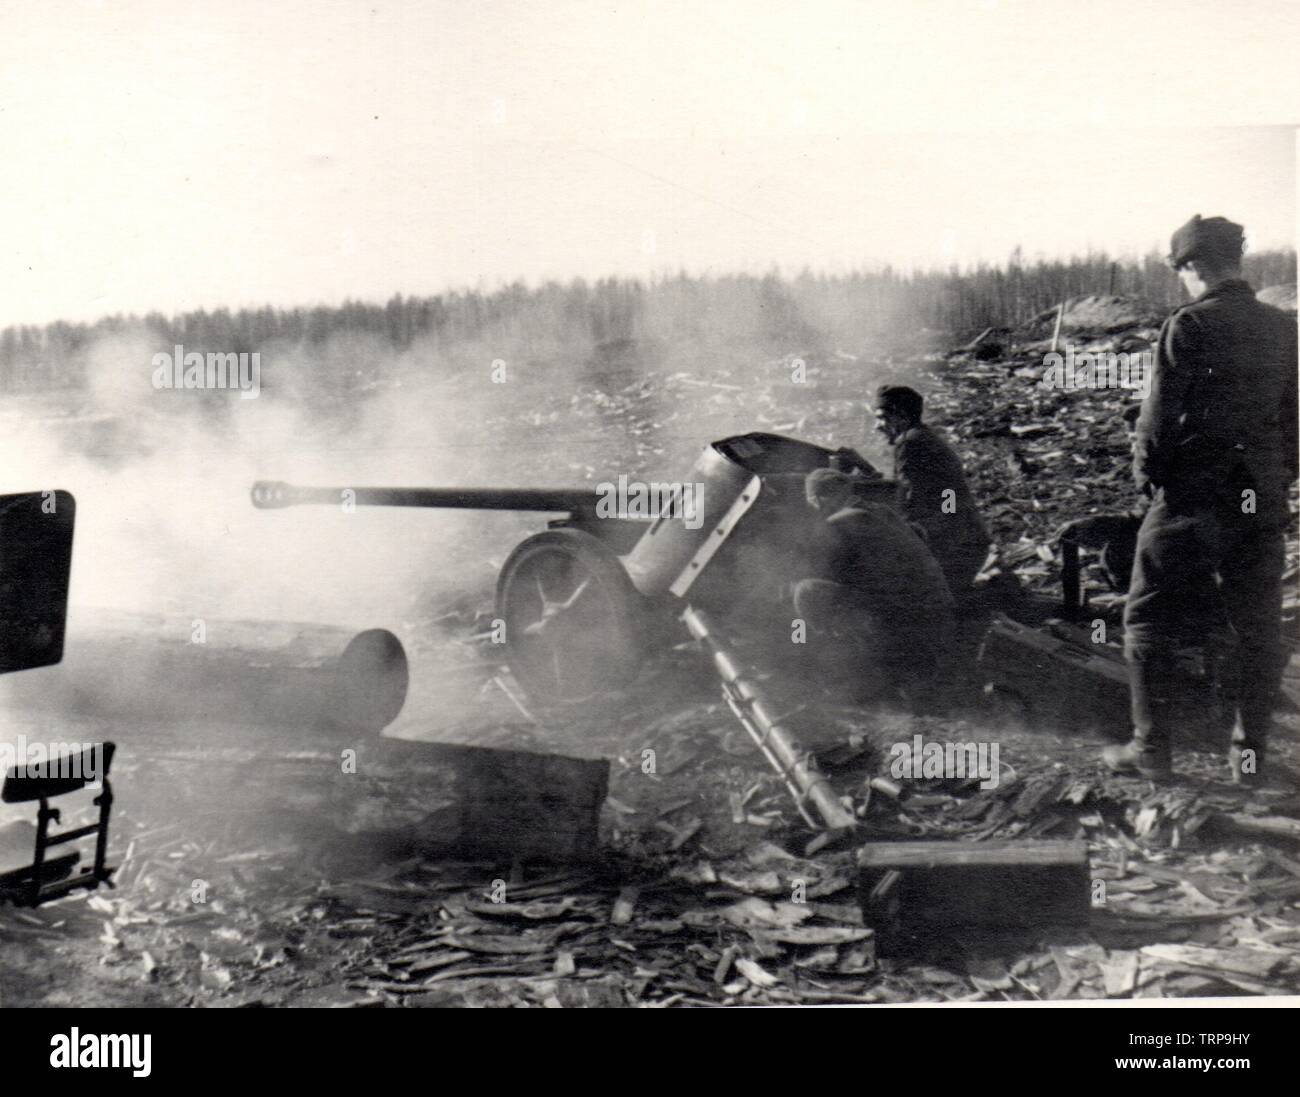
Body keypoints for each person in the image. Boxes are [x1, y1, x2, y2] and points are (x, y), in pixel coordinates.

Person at [1103, 215, 1298, 784]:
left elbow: (1158, 419)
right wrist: (1277, 478)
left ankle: (1151, 753)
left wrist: (1148, 475)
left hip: (1196, 496)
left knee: (1146, 617)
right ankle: (1249, 758)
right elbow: (1295, 419)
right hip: (1257, 499)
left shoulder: (1189, 325)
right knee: (1257, 625)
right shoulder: (1283, 328)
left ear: (1192, 267)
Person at [791, 468, 956, 707]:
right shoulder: (880, 510)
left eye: (813, 502)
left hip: (908, 621)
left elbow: (822, 571)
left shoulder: (839, 524)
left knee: (806, 591)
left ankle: (855, 667)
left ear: (820, 499)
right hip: (938, 608)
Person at [832, 385, 991, 594]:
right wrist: (867, 470)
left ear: (901, 416)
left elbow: (907, 503)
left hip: (954, 552)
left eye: (882, 418)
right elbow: (912, 489)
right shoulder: (921, 437)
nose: (877, 427)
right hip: (966, 543)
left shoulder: (910, 444)